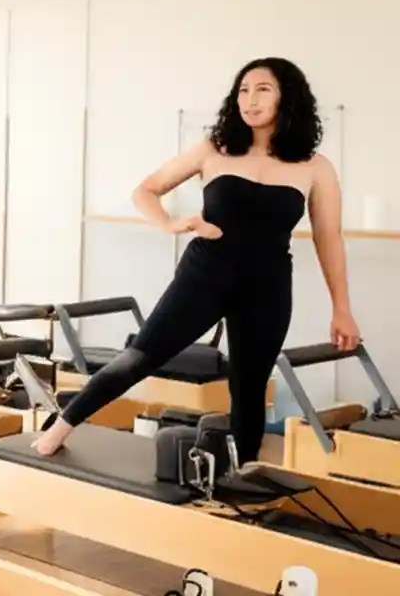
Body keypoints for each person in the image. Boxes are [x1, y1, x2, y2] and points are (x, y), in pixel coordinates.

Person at [31, 57, 361, 464]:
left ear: (287, 97)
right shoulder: (215, 148)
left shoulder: (315, 167)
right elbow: (145, 190)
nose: (249, 99)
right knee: (141, 357)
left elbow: (329, 239)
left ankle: (240, 473)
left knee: (249, 386)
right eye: (243, 89)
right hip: (206, 274)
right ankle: (59, 429)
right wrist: (170, 223)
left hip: (268, 285)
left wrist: (341, 309)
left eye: (262, 89)